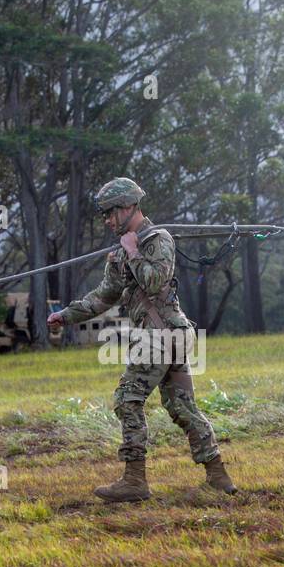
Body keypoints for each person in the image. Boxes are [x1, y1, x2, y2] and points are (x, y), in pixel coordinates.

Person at [48, 177, 237, 501]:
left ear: (128, 207)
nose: (107, 220)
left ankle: (135, 480)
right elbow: (104, 296)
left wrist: (133, 251)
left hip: (161, 335)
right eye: (104, 214)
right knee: (181, 406)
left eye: (110, 213)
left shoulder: (156, 240)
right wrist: (66, 315)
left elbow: (153, 282)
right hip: (167, 334)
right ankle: (218, 477)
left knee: (127, 399)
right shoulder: (122, 249)